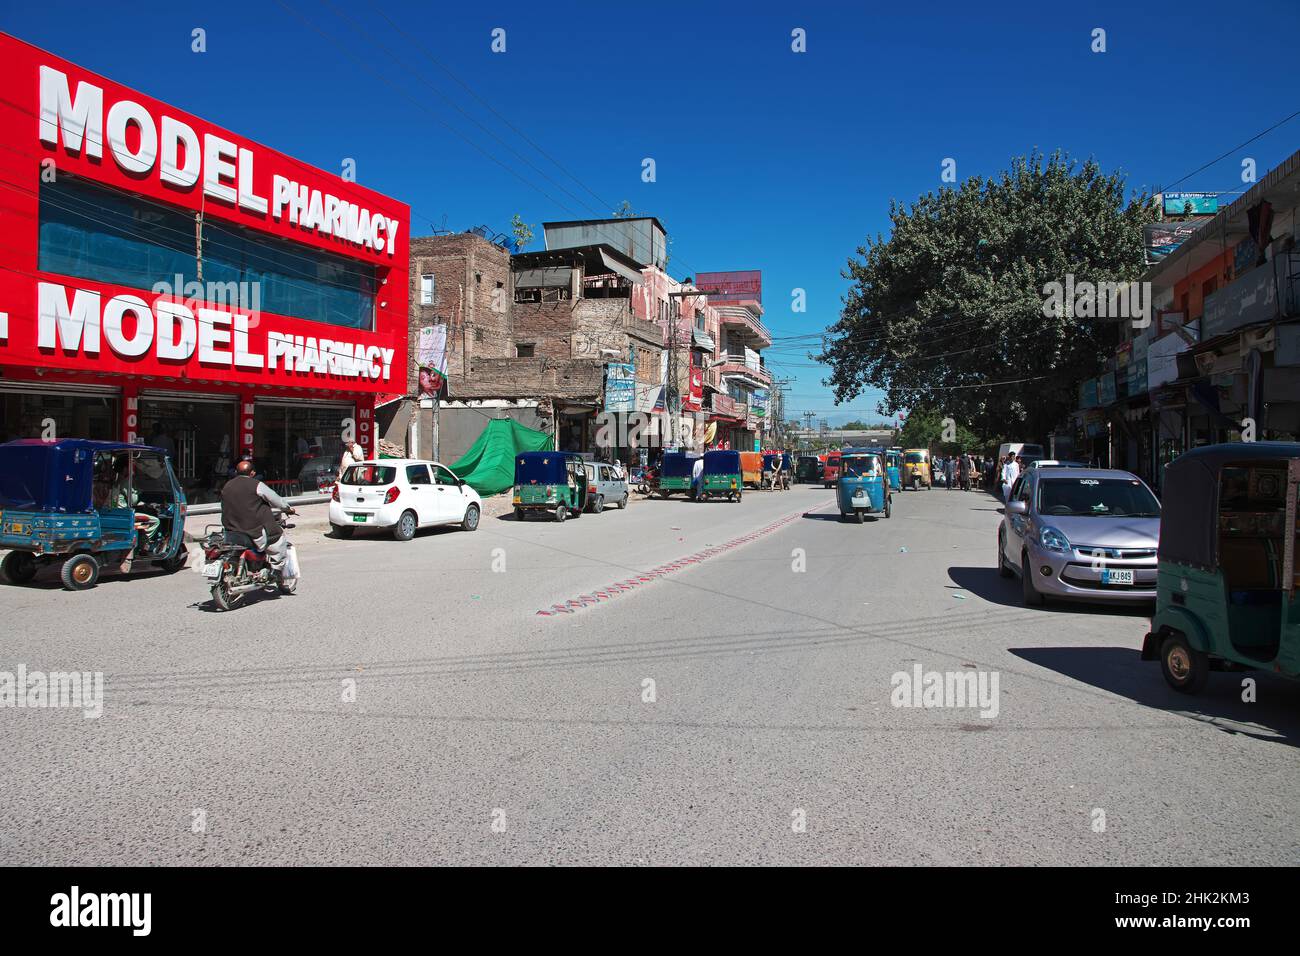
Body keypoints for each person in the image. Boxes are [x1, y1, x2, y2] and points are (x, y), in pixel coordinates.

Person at [220, 459, 295, 571]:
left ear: (236, 472)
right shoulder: (256, 485)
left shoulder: (227, 485)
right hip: (252, 531)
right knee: (278, 539)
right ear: (252, 473)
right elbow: (275, 499)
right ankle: (276, 569)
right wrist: (288, 509)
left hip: (231, 530)